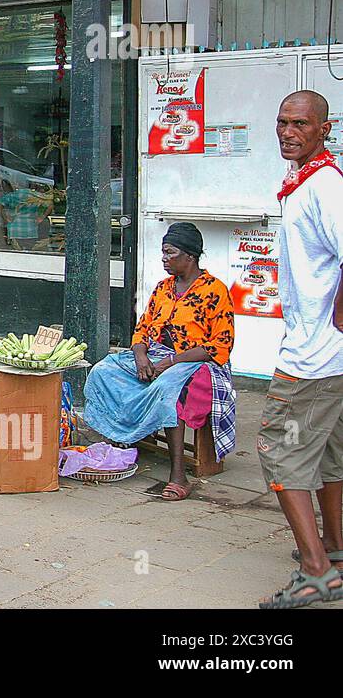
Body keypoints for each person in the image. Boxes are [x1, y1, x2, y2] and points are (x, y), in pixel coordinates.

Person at [257, 90, 343, 609]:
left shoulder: (325, 187)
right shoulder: (306, 181)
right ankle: (333, 551)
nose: (288, 132)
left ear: (323, 129)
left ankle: (316, 572)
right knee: (331, 456)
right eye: (282, 122)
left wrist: (338, 315)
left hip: (312, 357)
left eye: (300, 124)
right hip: (328, 354)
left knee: (277, 451)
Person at [83, 222, 236, 501]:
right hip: (155, 355)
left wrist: (173, 361)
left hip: (197, 361)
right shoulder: (163, 288)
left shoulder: (215, 291)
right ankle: (121, 436)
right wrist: (141, 356)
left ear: (190, 256)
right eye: (163, 253)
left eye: (170, 253)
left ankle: (179, 475)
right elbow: (142, 328)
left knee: (167, 390)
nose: (164, 258)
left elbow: (219, 345)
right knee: (102, 370)